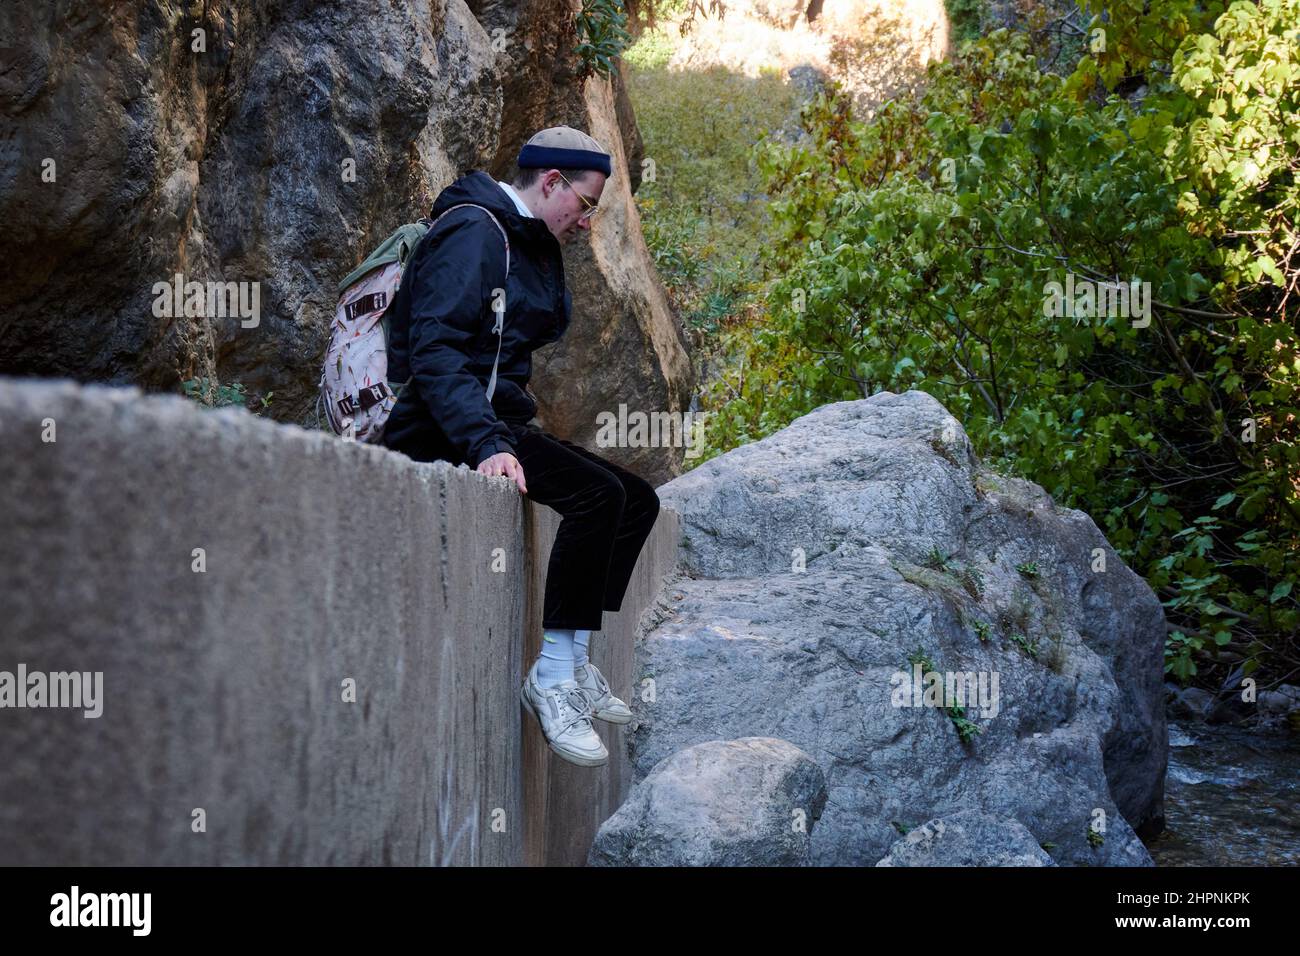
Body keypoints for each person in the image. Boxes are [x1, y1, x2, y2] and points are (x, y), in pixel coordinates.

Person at [382, 126, 661, 768]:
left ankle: (575, 660)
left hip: (493, 420)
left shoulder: (524, 239)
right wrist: (484, 443)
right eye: (586, 205)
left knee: (636, 500)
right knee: (597, 497)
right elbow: (434, 350)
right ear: (552, 181)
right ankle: (551, 677)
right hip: (442, 429)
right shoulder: (475, 230)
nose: (587, 224)